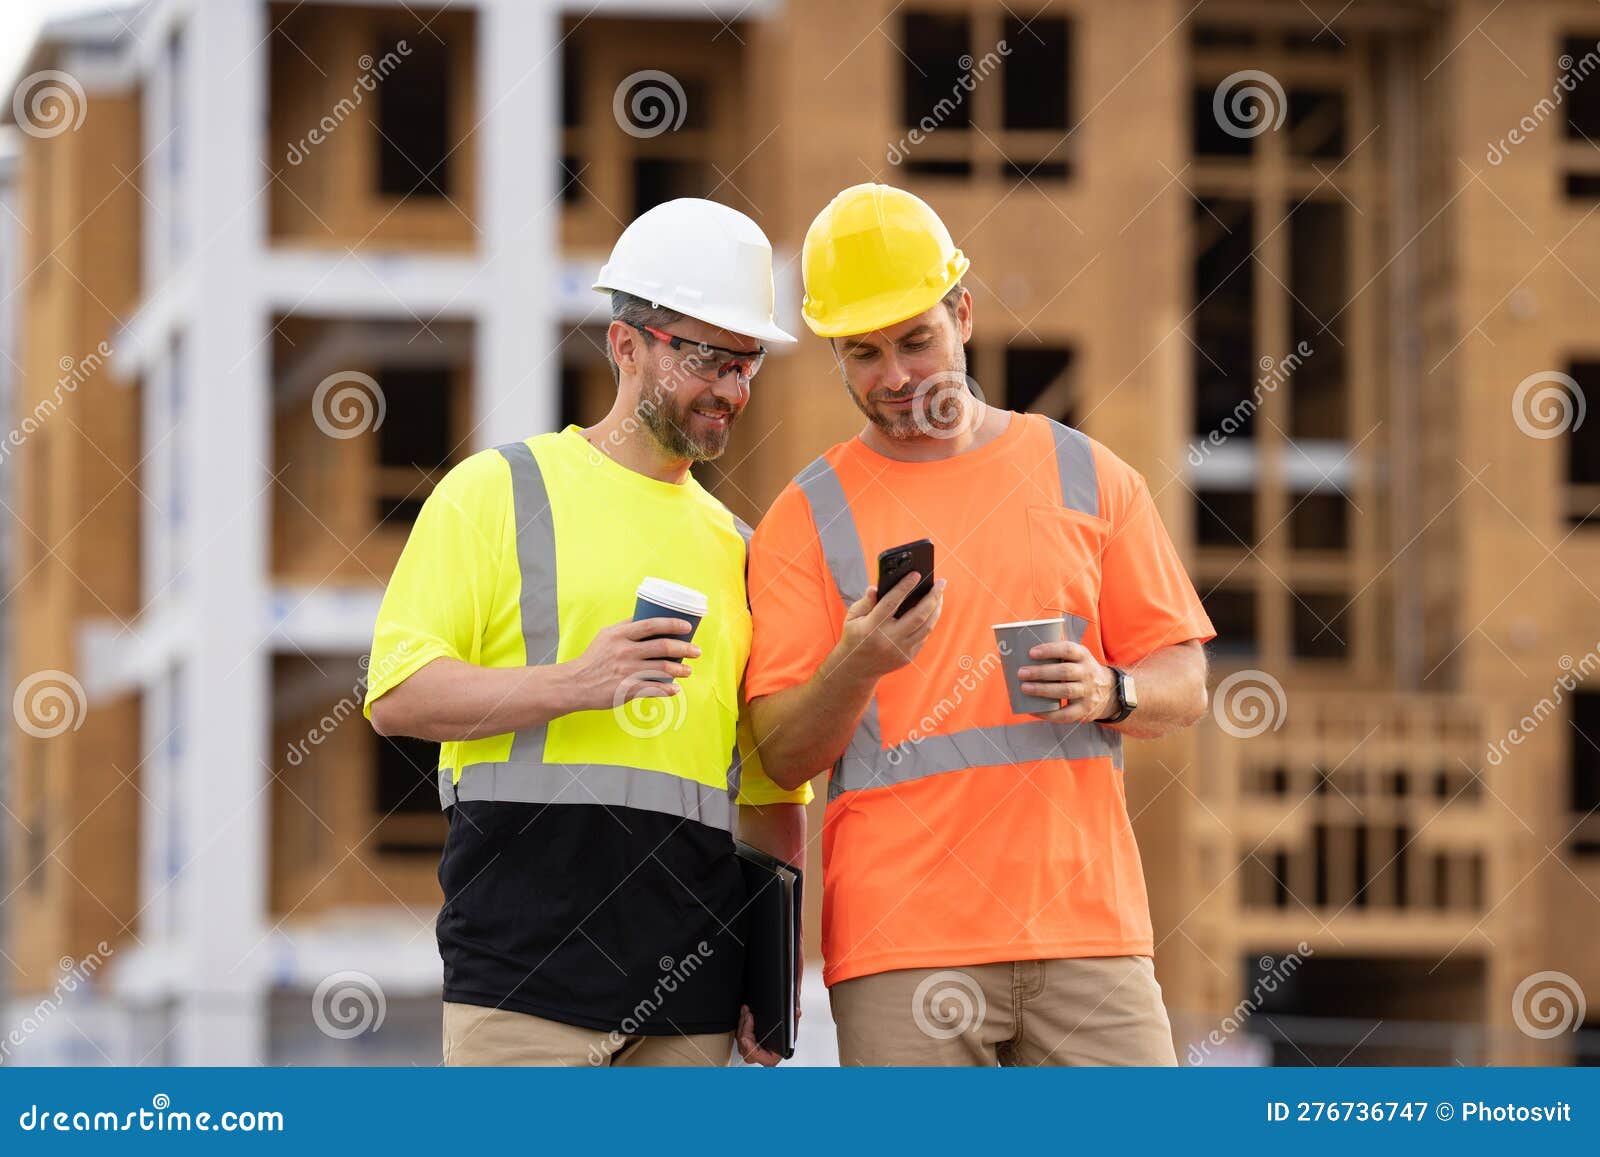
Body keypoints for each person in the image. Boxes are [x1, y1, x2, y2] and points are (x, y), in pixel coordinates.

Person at [745, 183, 1216, 1066]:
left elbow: (1184, 681)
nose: (895, 376)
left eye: (916, 339)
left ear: (962, 313)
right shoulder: (805, 516)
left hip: (1088, 930)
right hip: (901, 947)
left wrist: (1113, 689)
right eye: (863, 353)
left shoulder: (1087, 474)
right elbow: (777, 756)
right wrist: (856, 664)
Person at [363, 198, 811, 1067]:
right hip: (521, 986)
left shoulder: (741, 549)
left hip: (693, 1002)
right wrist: (577, 682)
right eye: (710, 357)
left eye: (748, 363)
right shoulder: (498, 491)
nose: (731, 388)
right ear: (627, 345)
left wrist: (772, 969)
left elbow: (764, 787)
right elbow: (397, 693)